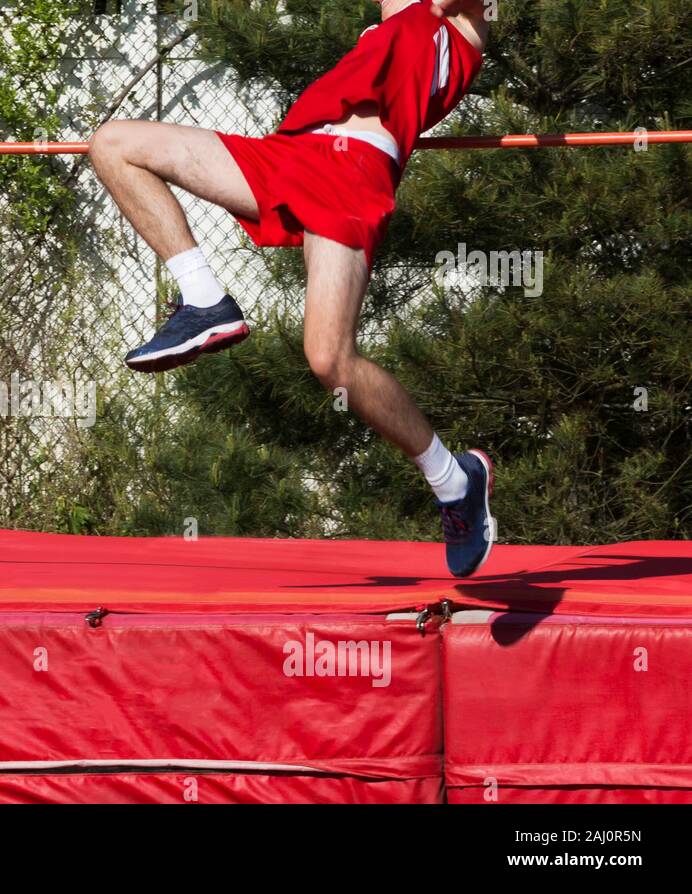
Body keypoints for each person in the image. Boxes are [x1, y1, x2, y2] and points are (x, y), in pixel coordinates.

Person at [88, 0, 495, 577]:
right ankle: (203, 297)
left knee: (329, 359)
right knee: (114, 143)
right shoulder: (387, 29)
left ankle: (455, 481)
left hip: (354, 172)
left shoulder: (455, 28)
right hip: (294, 152)